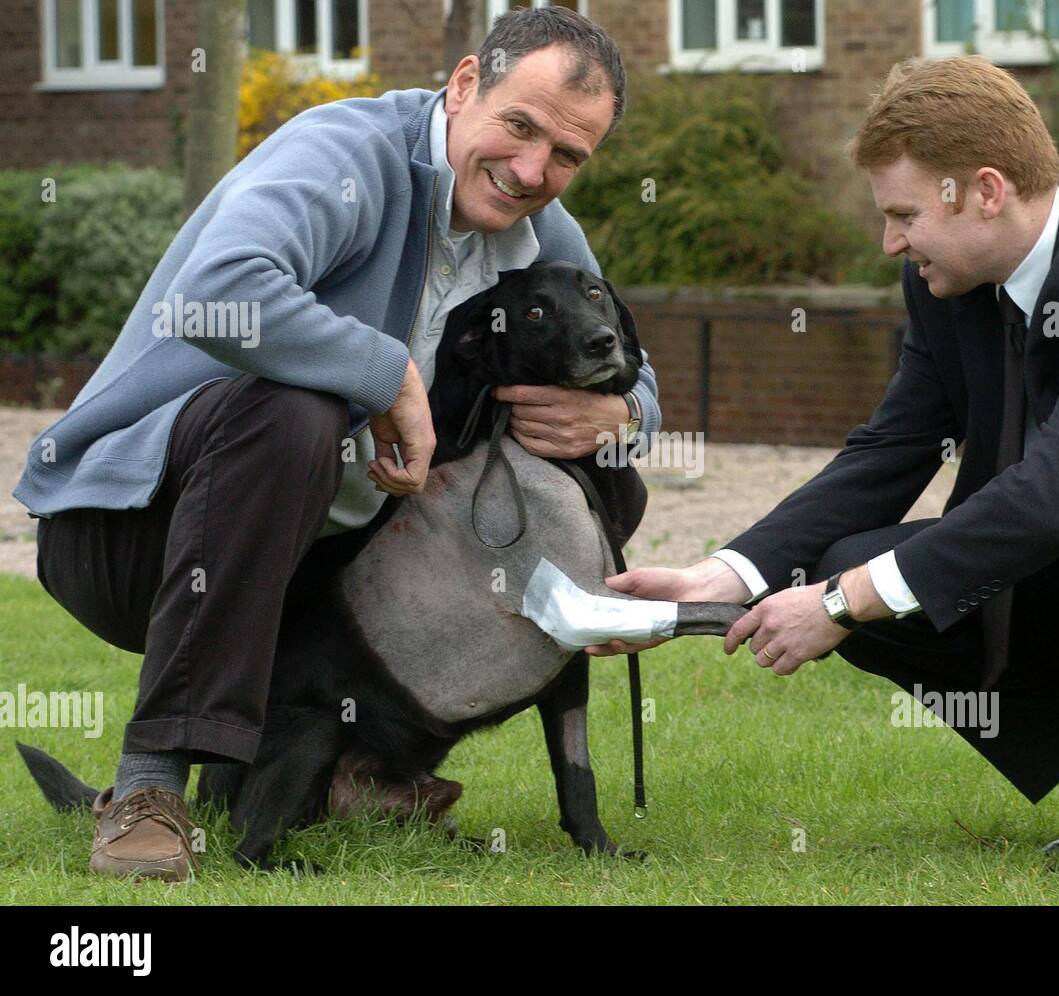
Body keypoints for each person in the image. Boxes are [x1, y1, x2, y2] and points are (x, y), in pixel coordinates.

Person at [590, 55, 1059, 881]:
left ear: (986, 192)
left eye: (904, 214)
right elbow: (893, 449)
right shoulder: (947, 280)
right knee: (843, 565)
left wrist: (842, 604)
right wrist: (730, 573)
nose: (891, 240)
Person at [14, 7, 658, 882]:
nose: (533, 169)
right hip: (128, 531)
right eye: (519, 125)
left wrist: (621, 419)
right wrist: (383, 371)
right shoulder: (343, 154)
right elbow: (219, 286)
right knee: (299, 411)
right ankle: (150, 788)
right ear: (465, 85)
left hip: (302, 568)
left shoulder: (537, 229)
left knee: (555, 479)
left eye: (568, 156)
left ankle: (358, 773)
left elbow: (632, 359)